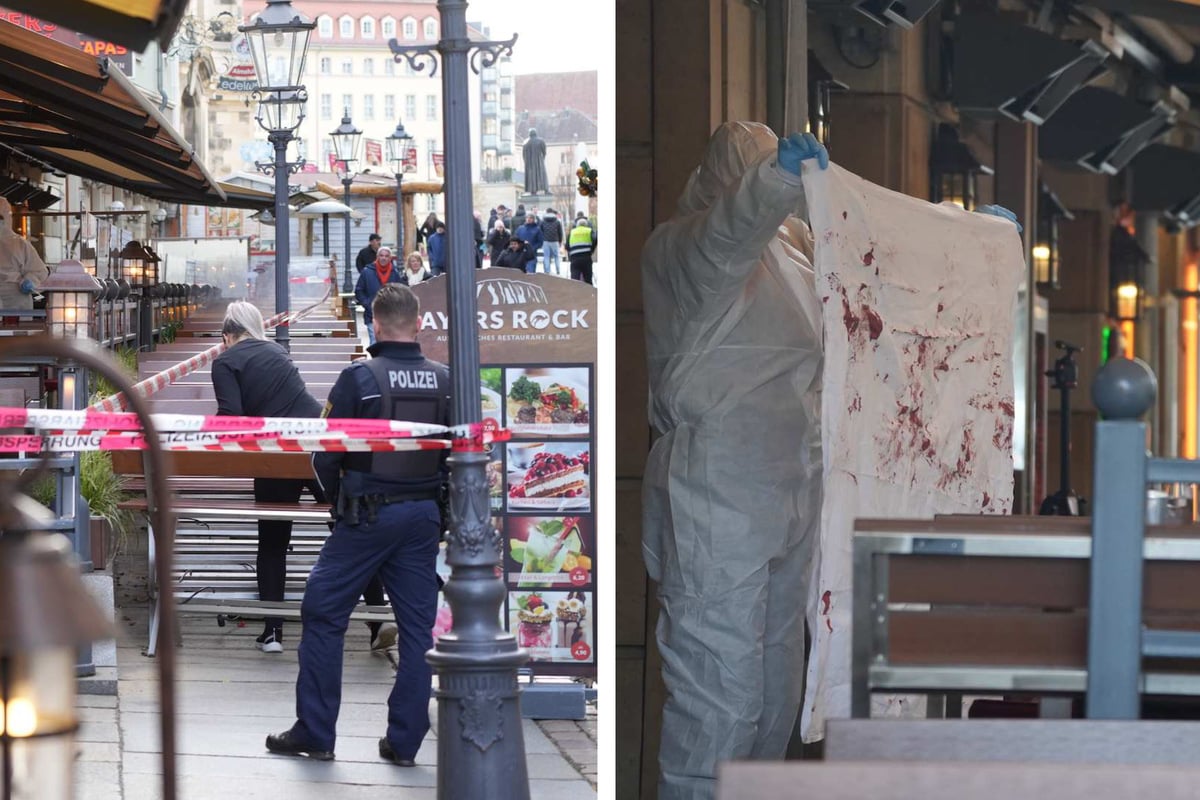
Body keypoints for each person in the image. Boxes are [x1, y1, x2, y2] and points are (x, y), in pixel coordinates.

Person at [266, 283, 449, 766]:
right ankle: (405, 742)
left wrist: (338, 507)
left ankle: (316, 730)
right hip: (422, 518)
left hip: (366, 515)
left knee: (323, 612)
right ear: (418, 323)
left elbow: (325, 455)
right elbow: (454, 455)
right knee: (417, 629)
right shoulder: (445, 380)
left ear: (376, 321)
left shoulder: (359, 379)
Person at [210, 301, 327, 654]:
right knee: (347, 526)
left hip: (277, 455)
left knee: (273, 543)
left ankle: (273, 631)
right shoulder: (277, 351)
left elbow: (231, 417)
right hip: (319, 446)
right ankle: (374, 621)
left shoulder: (226, 361)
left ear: (227, 335)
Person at [0, 197, 48, 309]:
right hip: (18, 298)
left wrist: (29, 281)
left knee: (18, 326)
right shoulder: (20, 243)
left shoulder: (20, 244)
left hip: (17, 298)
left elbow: (39, 271)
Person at [354, 246, 404, 346]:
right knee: (374, 342)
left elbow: (400, 292)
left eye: (386, 256)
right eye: (381, 255)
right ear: (377, 257)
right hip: (371, 314)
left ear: (390, 258)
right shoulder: (367, 271)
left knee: (389, 343)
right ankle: (375, 361)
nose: (383, 258)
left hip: (390, 315)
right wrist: (367, 303)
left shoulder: (395, 273)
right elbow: (359, 290)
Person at [567, 216, 597, 284]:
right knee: (588, 279)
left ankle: (575, 293)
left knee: (575, 280)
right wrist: (591, 250)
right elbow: (595, 240)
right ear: (586, 225)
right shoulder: (589, 231)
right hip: (586, 257)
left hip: (574, 259)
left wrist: (571, 254)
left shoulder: (572, 232)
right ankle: (589, 293)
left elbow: (567, 246)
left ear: (577, 225)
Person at [522, 129, 549, 194]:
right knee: (542, 176)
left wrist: (527, 163)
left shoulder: (526, 142)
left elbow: (523, 155)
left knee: (532, 176)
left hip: (530, 164)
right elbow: (544, 152)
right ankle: (546, 190)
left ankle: (533, 190)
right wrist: (542, 159)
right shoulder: (541, 141)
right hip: (539, 162)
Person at [539, 208, 565, 275]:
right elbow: (560, 232)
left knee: (546, 256)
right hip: (555, 241)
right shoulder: (557, 221)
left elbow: (540, 231)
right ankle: (558, 270)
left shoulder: (543, 221)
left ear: (546, 212)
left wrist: (542, 239)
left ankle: (547, 271)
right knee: (556, 256)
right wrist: (560, 241)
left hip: (546, 241)